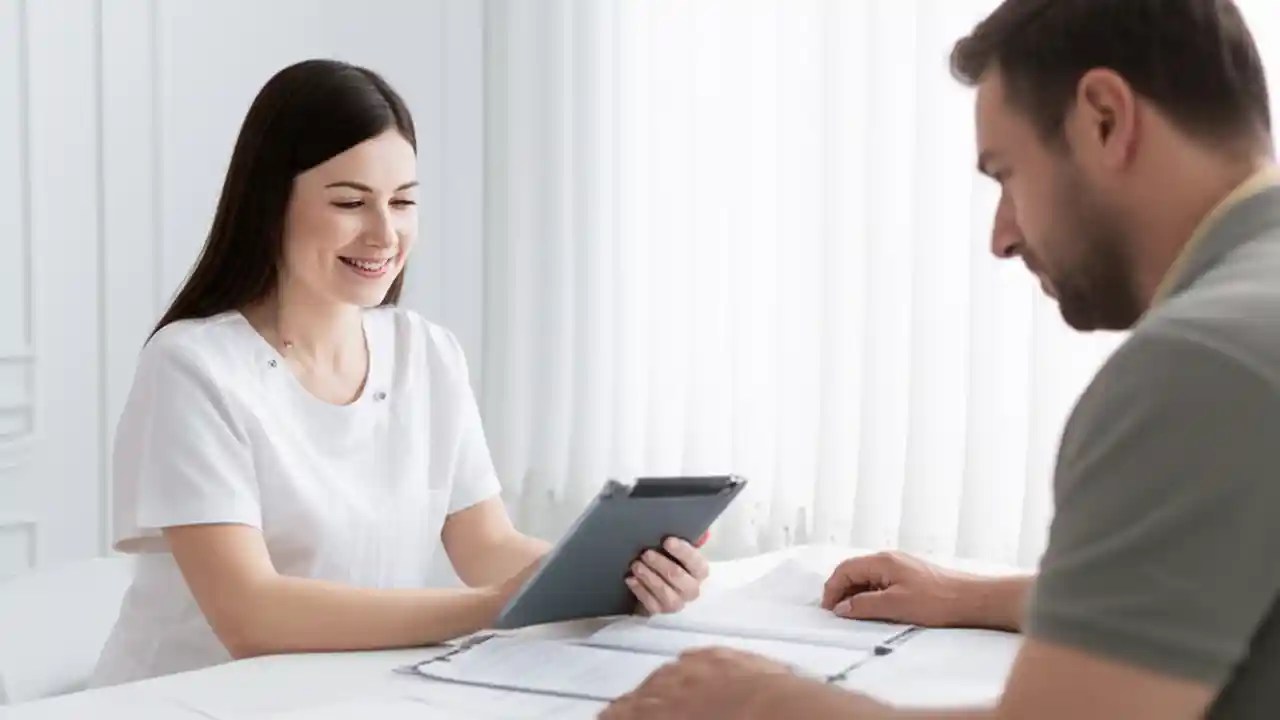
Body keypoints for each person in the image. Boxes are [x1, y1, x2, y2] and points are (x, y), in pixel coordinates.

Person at [604, 0, 1280, 717]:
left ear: (1104, 120)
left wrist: (760, 704)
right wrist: (967, 596)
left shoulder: (1197, 367)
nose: (1002, 236)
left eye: (1006, 175)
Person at [90, 59, 708, 687]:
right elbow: (251, 615)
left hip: (345, 695)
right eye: (350, 203)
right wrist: (489, 608)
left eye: (404, 201)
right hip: (185, 699)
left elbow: (488, 547)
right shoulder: (193, 367)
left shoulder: (427, 353)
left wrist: (613, 577)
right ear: (270, 204)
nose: (385, 233)